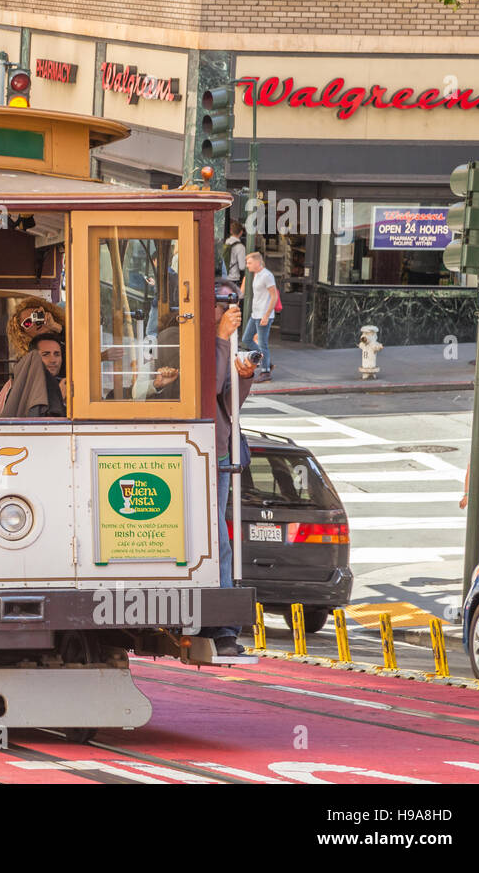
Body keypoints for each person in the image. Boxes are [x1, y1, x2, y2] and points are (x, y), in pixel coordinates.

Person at [201, 278, 257, 656]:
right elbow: (205, 387)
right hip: (187, 452)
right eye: (219, 304)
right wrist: (221, 339)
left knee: (218, 538)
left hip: (218, 454)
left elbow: (228, 401)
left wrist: (245, 374)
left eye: (227, 305)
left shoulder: (225, 340)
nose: (223, 312)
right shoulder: (184, 337)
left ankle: (222, 625)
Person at [241, 251, 278, 380]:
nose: (247, 265)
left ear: (258, 262)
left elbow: (274, 296)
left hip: (263, 315)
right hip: (255, 314)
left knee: (263, 344)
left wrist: (266, 316)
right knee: (246, 339)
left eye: (249, 263)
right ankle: (266, 361)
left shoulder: (267, 275)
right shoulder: (256, 275)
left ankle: (266, 371)